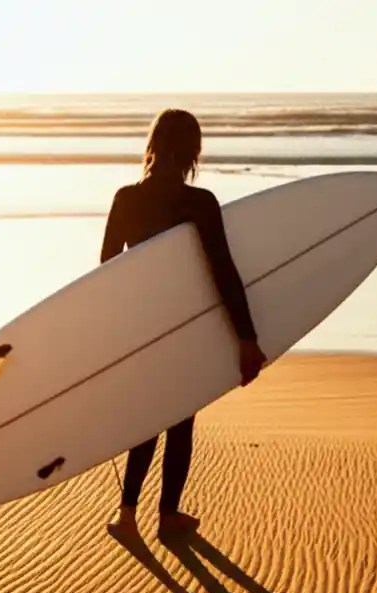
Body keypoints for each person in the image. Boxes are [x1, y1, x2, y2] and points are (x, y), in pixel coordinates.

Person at [101, 108, 266, 537]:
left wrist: (109, 339)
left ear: (152, 145)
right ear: (193, 150)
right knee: (179, 419)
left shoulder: (126, 199)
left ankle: (127, 514)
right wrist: (246, 338)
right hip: (185, 326)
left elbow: (104, 275)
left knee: (148, 416)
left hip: (142, 328)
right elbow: (223, 272)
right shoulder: (199, 203)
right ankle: (168, 515)